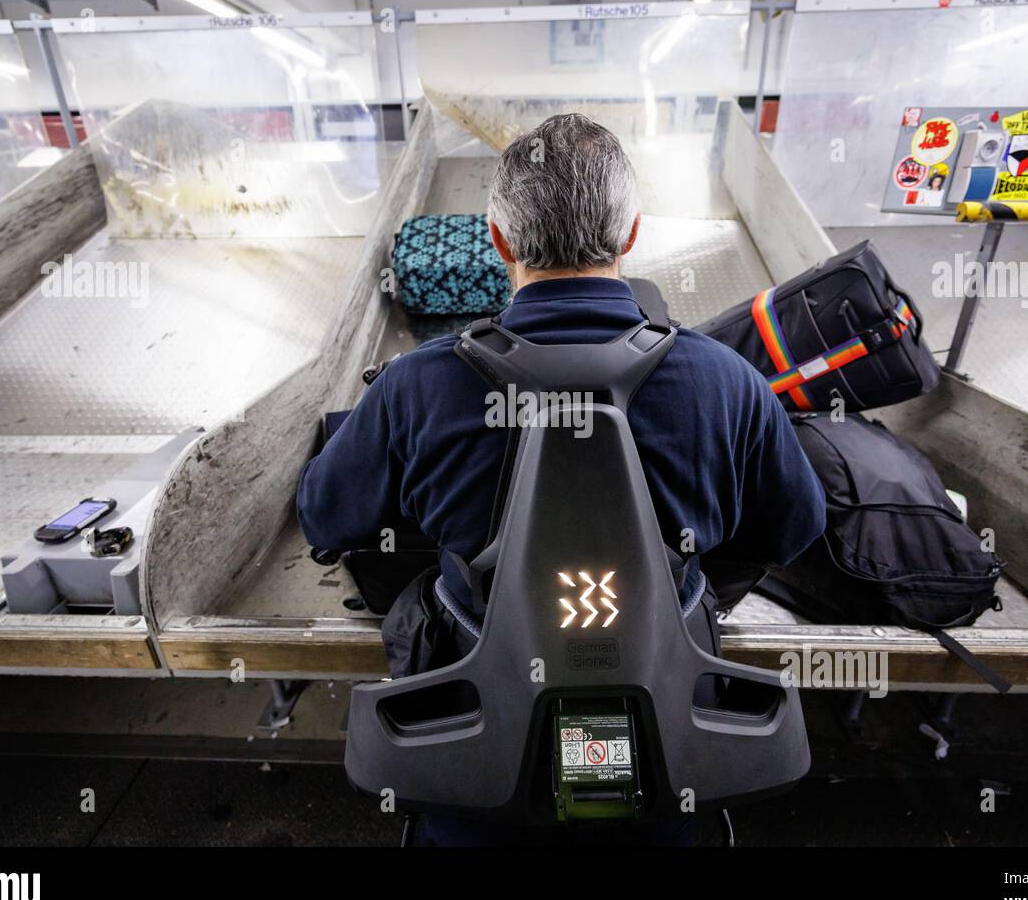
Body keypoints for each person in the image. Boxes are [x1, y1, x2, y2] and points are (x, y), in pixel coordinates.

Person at [296, 113, 825, 842]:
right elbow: (797, 527)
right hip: (676, 766)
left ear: (498, 241)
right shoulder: (727, 383)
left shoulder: (414, 387)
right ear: (632, 234)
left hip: (473, 768)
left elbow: (324, 519)